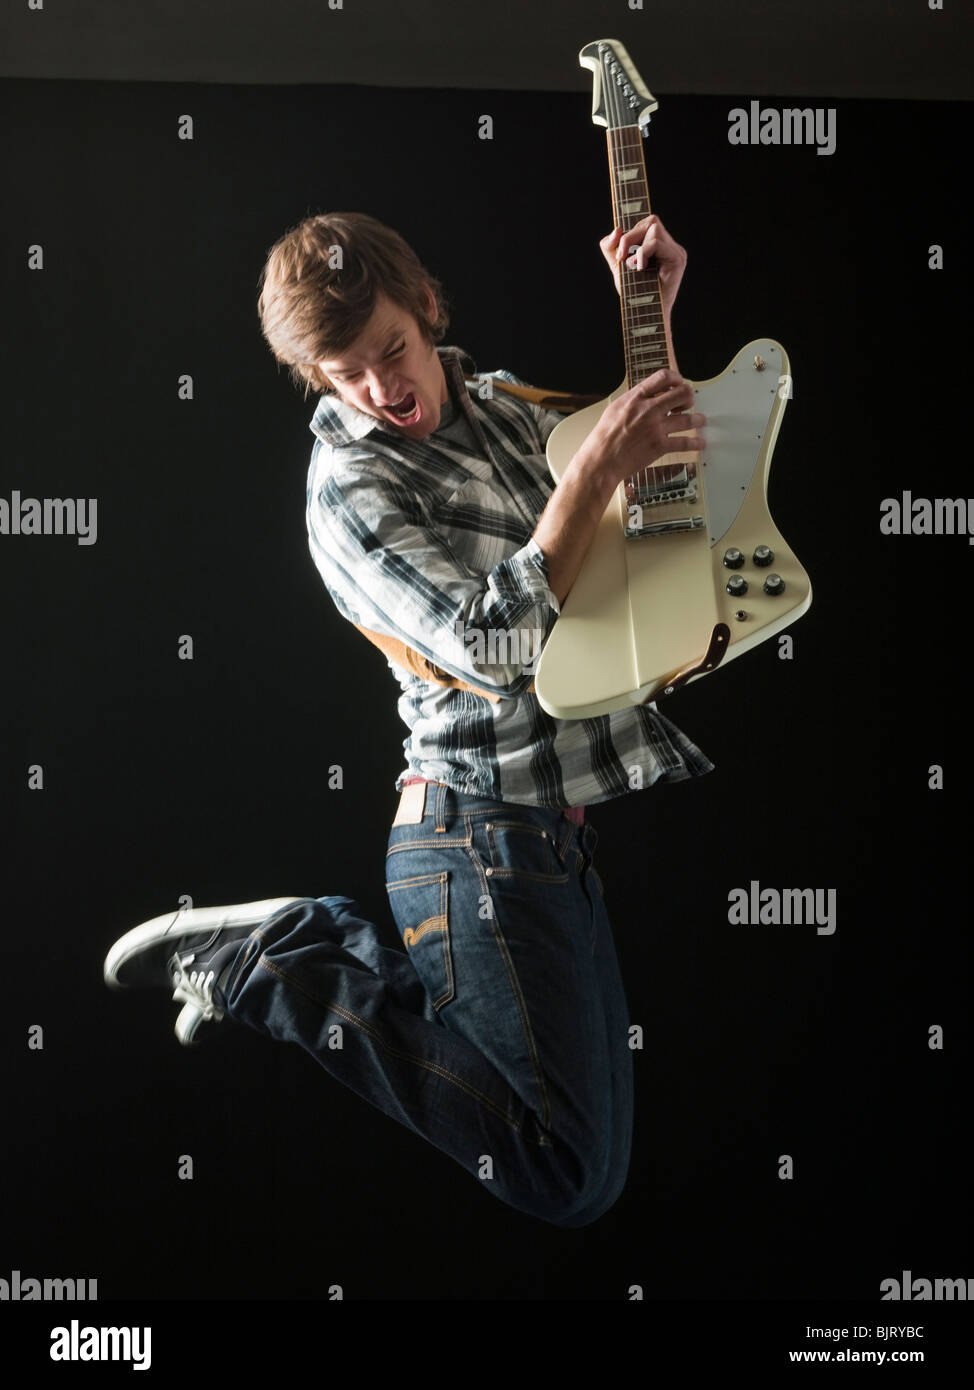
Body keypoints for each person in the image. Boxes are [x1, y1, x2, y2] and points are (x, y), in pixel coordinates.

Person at [103, 210, 712, 1228]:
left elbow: (643, 517)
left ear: (426, 306)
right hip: (469, 837)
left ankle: (291, 954)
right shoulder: (348, 485)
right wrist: (595, 470)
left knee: (590, 1172)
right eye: (347, 373)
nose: (383, 391)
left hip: (551, 839)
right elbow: (490, 652)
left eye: (390, 350)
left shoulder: (506, 408)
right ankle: (281, 961)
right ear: (317, 378)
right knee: (562, 1171)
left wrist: (649, 321)